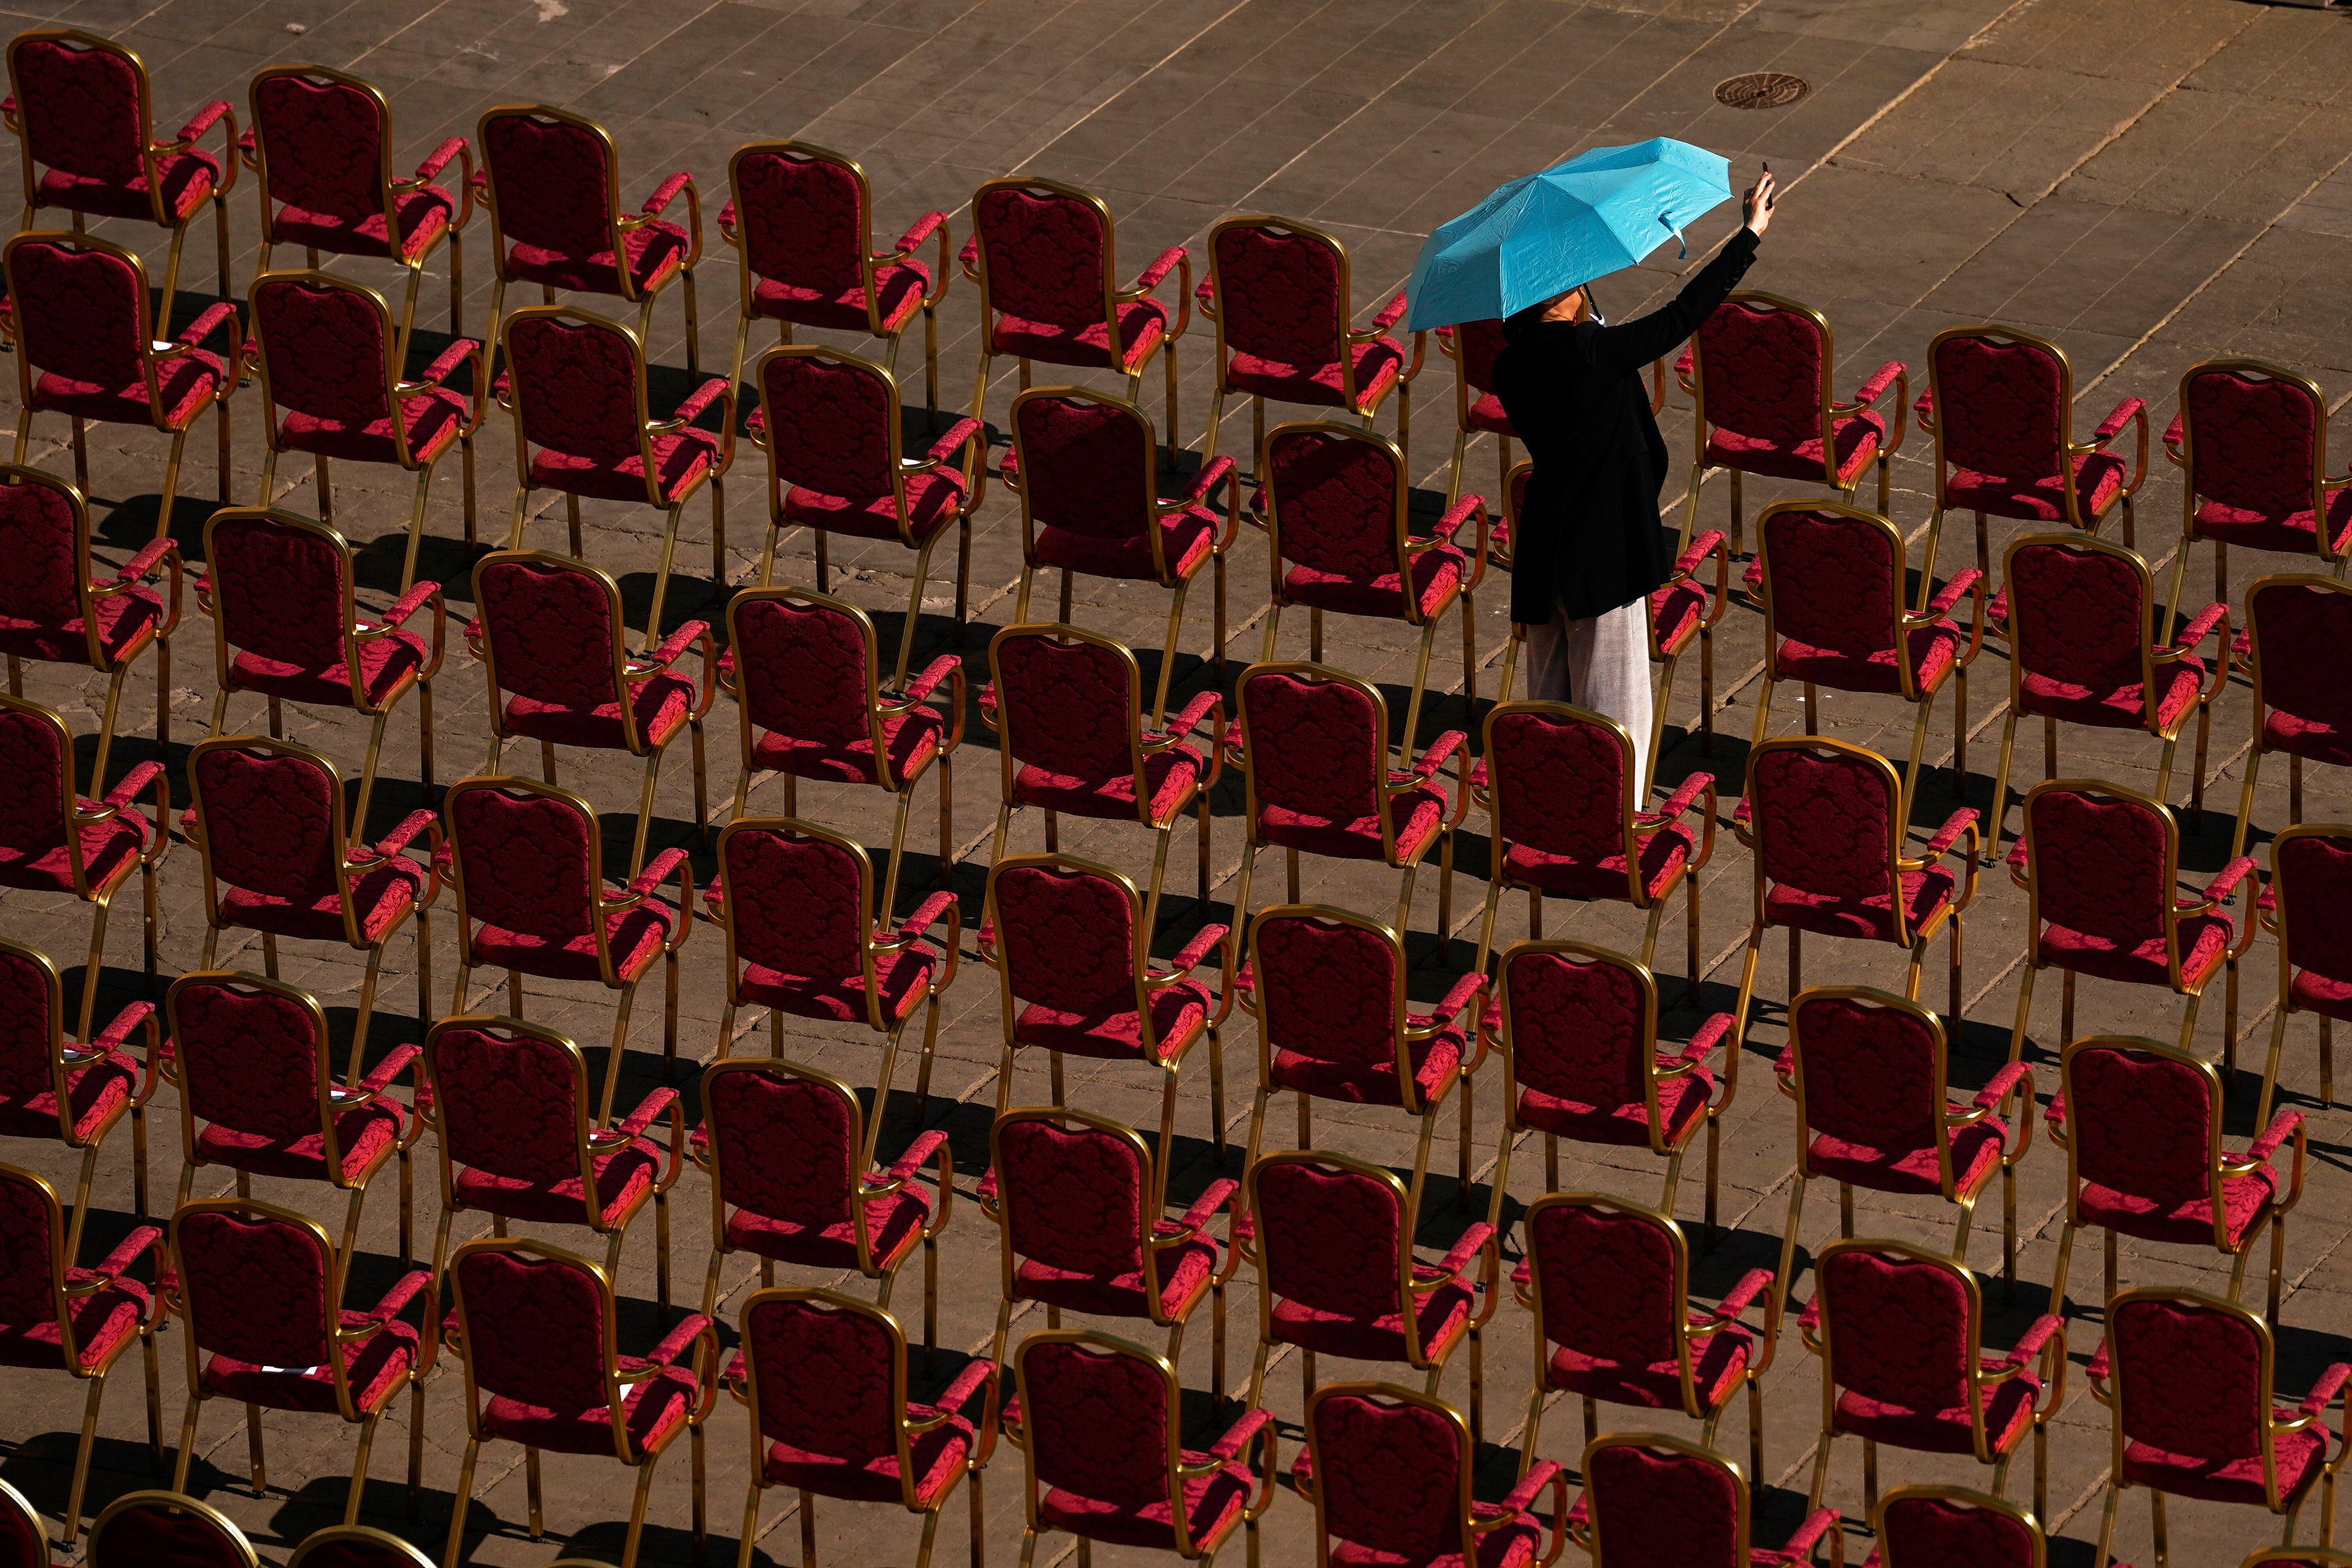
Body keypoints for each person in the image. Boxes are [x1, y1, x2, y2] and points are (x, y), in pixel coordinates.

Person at [1491, 167, 1777, 800]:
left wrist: (1589, 331)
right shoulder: (1593, 354)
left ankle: (1551, 808)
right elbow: (1683, 315)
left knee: (1550, 698)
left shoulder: (1512, 365)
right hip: (1604, 546)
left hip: (1544, 545)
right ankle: (1614, 818)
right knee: (1617, 705)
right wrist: (1747, 237)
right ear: (1561, 295)